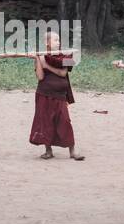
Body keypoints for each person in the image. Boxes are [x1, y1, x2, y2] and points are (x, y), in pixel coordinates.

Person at [28, 31, 83, 161]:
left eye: (59, 40)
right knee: (46, 122)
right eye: (55, 40)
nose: (58, 43)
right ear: (47, 43)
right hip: (44, 93)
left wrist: (47, 65)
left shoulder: (64, 57)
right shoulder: (41, 56)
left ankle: (73, 151)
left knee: (65, 121)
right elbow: (40, 77)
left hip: (60, 95)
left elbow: (63, 73)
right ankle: (48, 151)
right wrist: (37, 60)